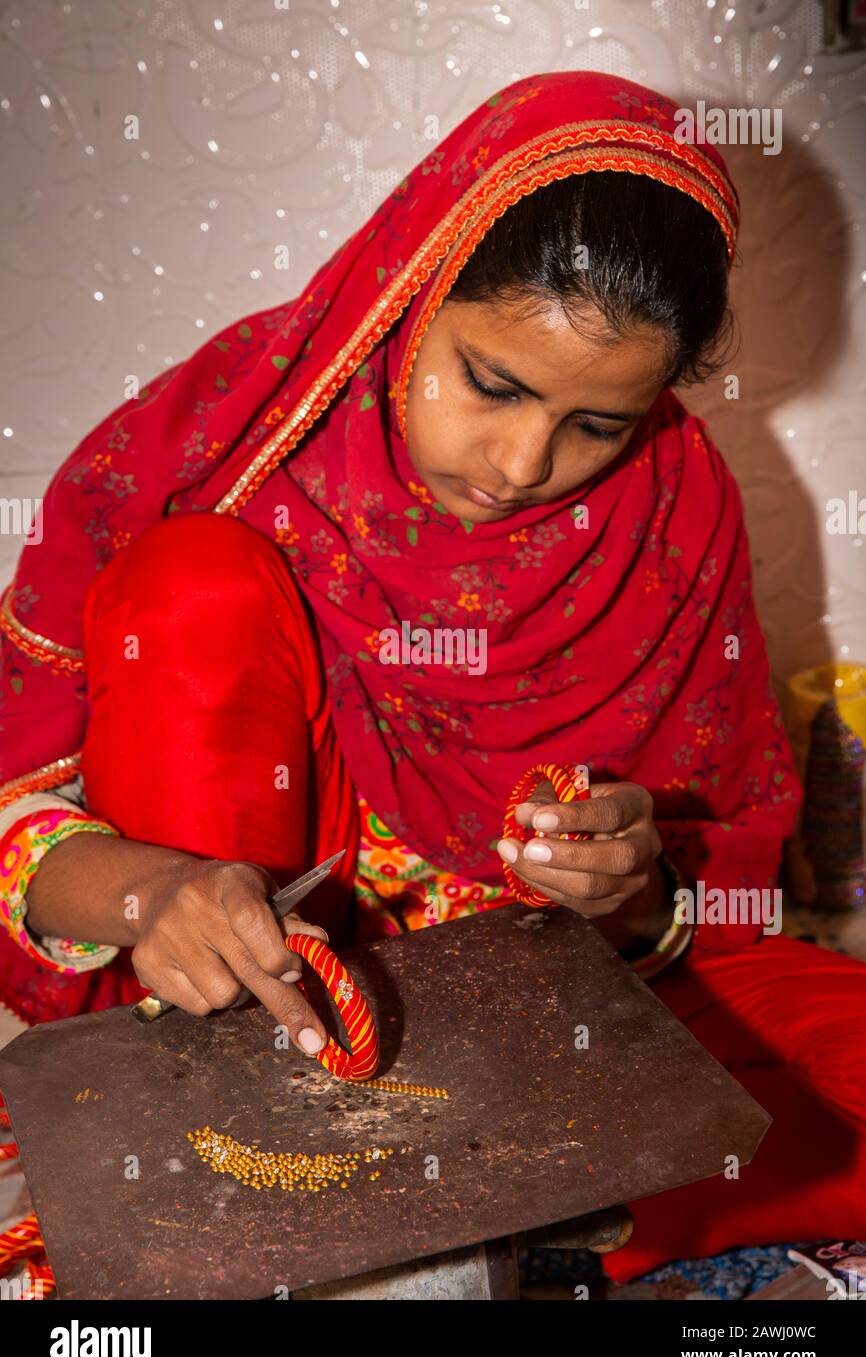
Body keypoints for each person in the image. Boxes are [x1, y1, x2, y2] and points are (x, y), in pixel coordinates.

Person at [1, 70, 864, 1283]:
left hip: (536, 998)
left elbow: (700, 883)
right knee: (191, 577)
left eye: (597, 424)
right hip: (242, 1013)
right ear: (412, 285)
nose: (520, 464)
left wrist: (623, 884)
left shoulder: (673, 505)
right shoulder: (241, 440)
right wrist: (153, 894)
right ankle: (316, 1168)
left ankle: (459, 1211)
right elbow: (17, 802)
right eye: (492, 384)